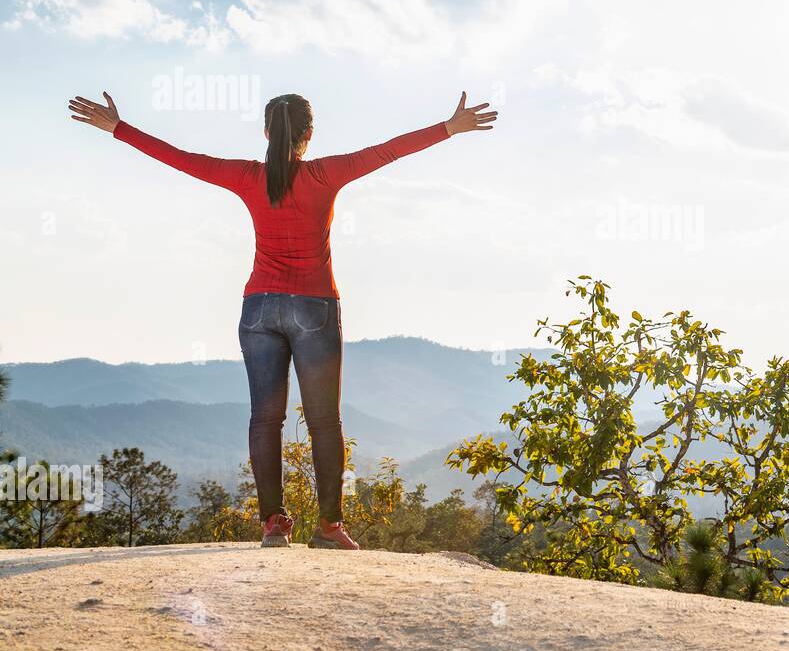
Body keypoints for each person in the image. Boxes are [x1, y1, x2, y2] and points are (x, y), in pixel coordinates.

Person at [68, 90, 498, 548]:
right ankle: (329, 528)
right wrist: (449, 128)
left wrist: (118, 128)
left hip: (258, 309)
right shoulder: (323, 174)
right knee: (324, 423)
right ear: (308, 135)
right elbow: (388, 151)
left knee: (264, 419)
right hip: (313, 307)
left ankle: (273, 523)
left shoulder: (246, 176)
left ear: (266, 132)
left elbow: (182, 159)